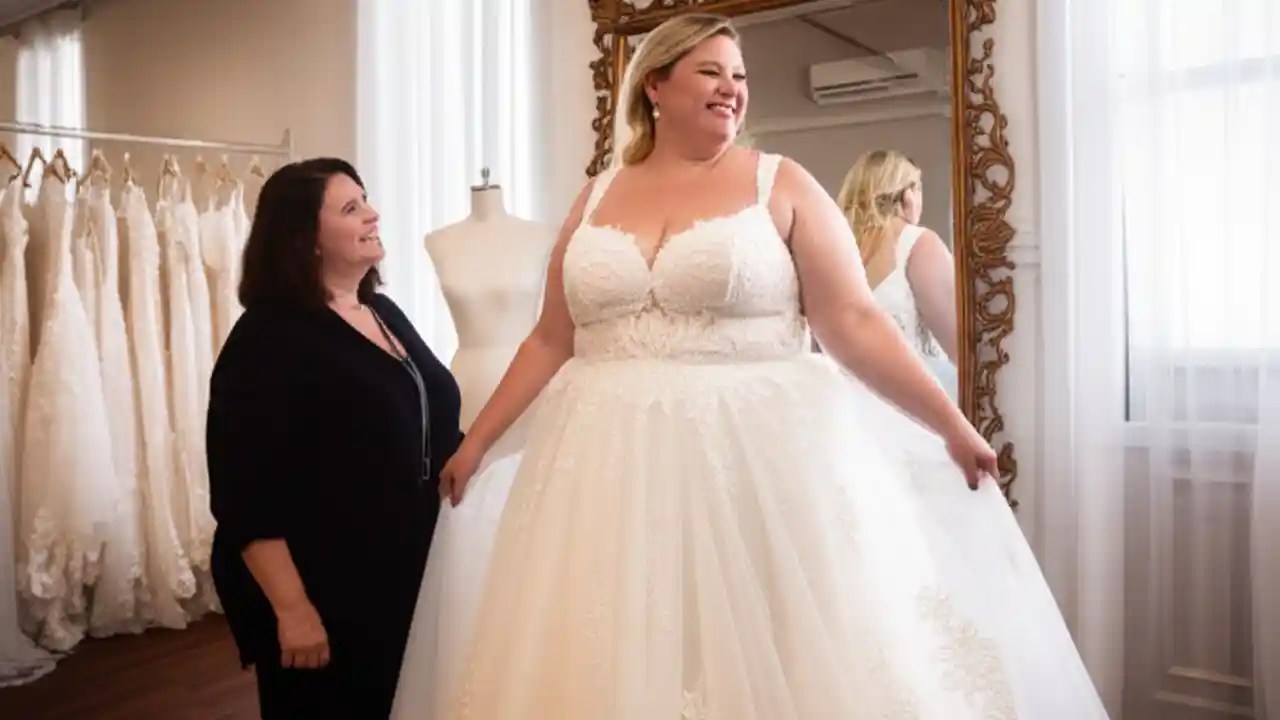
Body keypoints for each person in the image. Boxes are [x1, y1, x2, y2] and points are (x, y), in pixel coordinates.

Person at [393, 14, 1106, 720]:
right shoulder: (598, 194)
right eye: (710, 71)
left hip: (754, 456)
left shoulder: (782, 184)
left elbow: (853, 321)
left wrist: (952, 424)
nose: (731, 88)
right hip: (602, 460)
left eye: (739, 76)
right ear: (655, 87)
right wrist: (476, 443)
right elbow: (551, 339)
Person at [206, 158, 463, 718]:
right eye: (351, 208)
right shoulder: (268, 338)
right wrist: (292, 609)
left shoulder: (380, 311)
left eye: (365, 200)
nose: (373, 214)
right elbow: (245, 494)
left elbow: (431, 423)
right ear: (306, 237)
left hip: (399, 572)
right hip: (325, 584)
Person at [837, 149, 959, 399]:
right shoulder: (918, 244)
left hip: (850, 402)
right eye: (919, 189)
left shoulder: (837, 250)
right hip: (917, 400)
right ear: (907, 195)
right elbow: (961, 346)